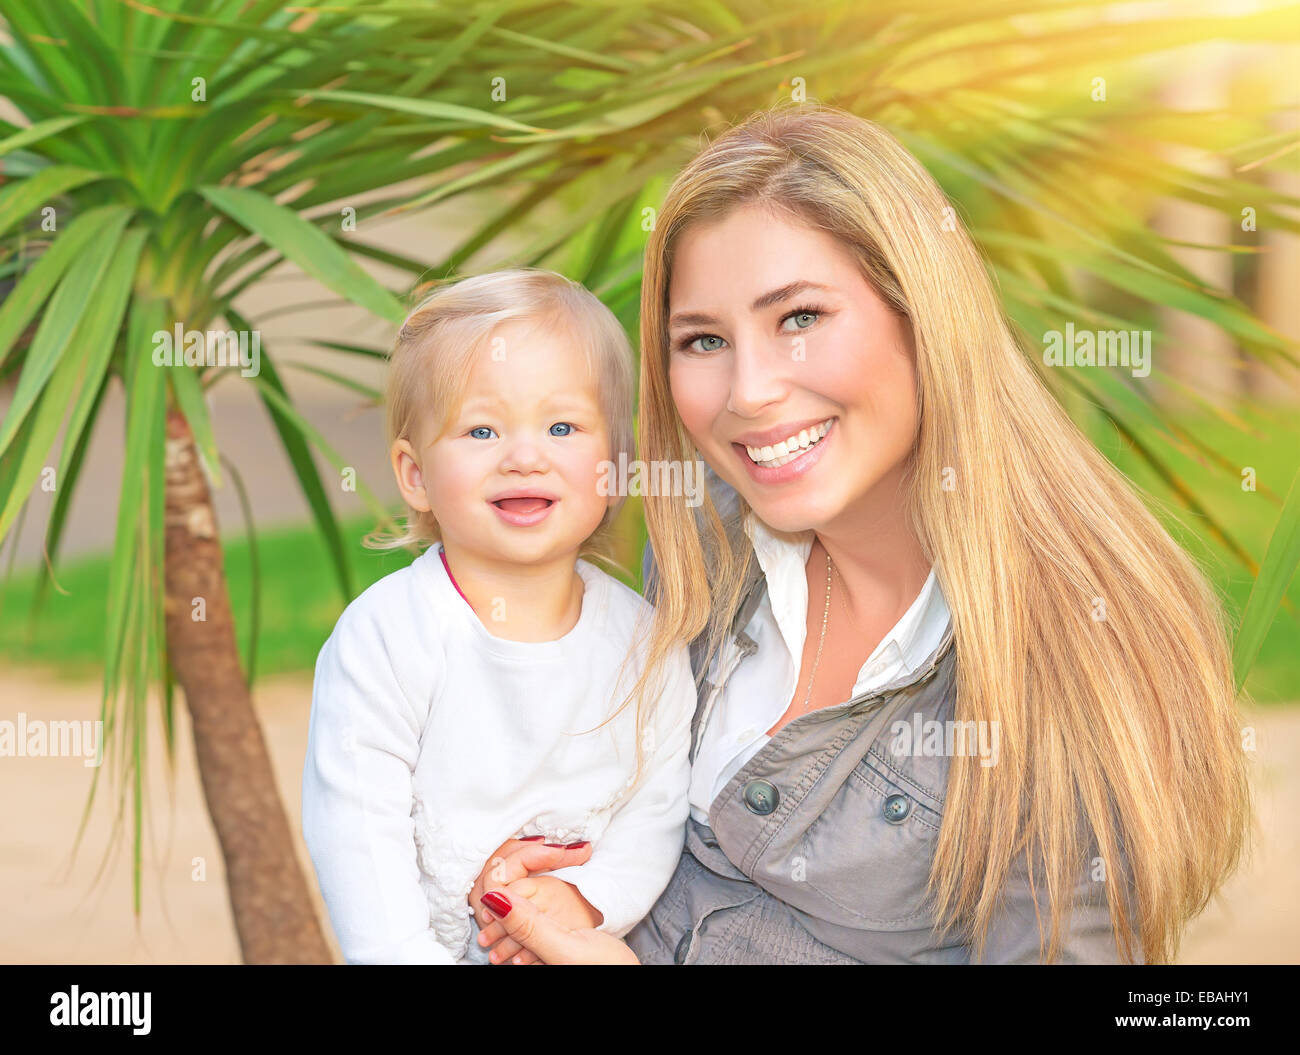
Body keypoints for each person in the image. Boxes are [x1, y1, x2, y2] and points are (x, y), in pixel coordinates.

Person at [467, 103, 1252, 965]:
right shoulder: (697, 547)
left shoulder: (1081, 657)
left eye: (800, 318)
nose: (750, 391)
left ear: (923, 314)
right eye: (702, 339)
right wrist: (558, 881)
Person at [301, 268, 697, 964]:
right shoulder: (387, 639)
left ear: (612, 464)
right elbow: (357, 837)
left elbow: (658, 805)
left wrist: (587, 899)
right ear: (415, 475)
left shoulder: (643, 642)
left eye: (563, 425)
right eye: (481, 429)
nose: (523, 455)